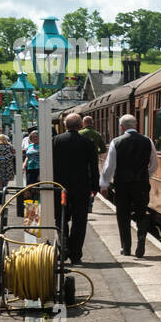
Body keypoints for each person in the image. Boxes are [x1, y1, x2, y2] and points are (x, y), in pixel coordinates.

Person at [100, 113, 158, 257]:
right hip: (142, 184)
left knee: (123, 215)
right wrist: (145, 175)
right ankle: (142, 236)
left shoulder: (116, 142)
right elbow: (154, 164)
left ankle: (126, 248)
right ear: (136, 125)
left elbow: (109, 166)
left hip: (122, 185)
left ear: (121, 127)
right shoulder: (147, 141)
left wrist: (104, 185)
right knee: (141, 212)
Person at [51, 113, 99, 264]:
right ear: (80, 126)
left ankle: (63, 248)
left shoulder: (55, 141)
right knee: (79, 220)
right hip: (81, 187)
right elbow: (93, 167)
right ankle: (76, 254)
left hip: (59, 187)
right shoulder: (88, 143)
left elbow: (49, 163)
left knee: (60, 218)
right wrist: (95, 186)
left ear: (65, 125)